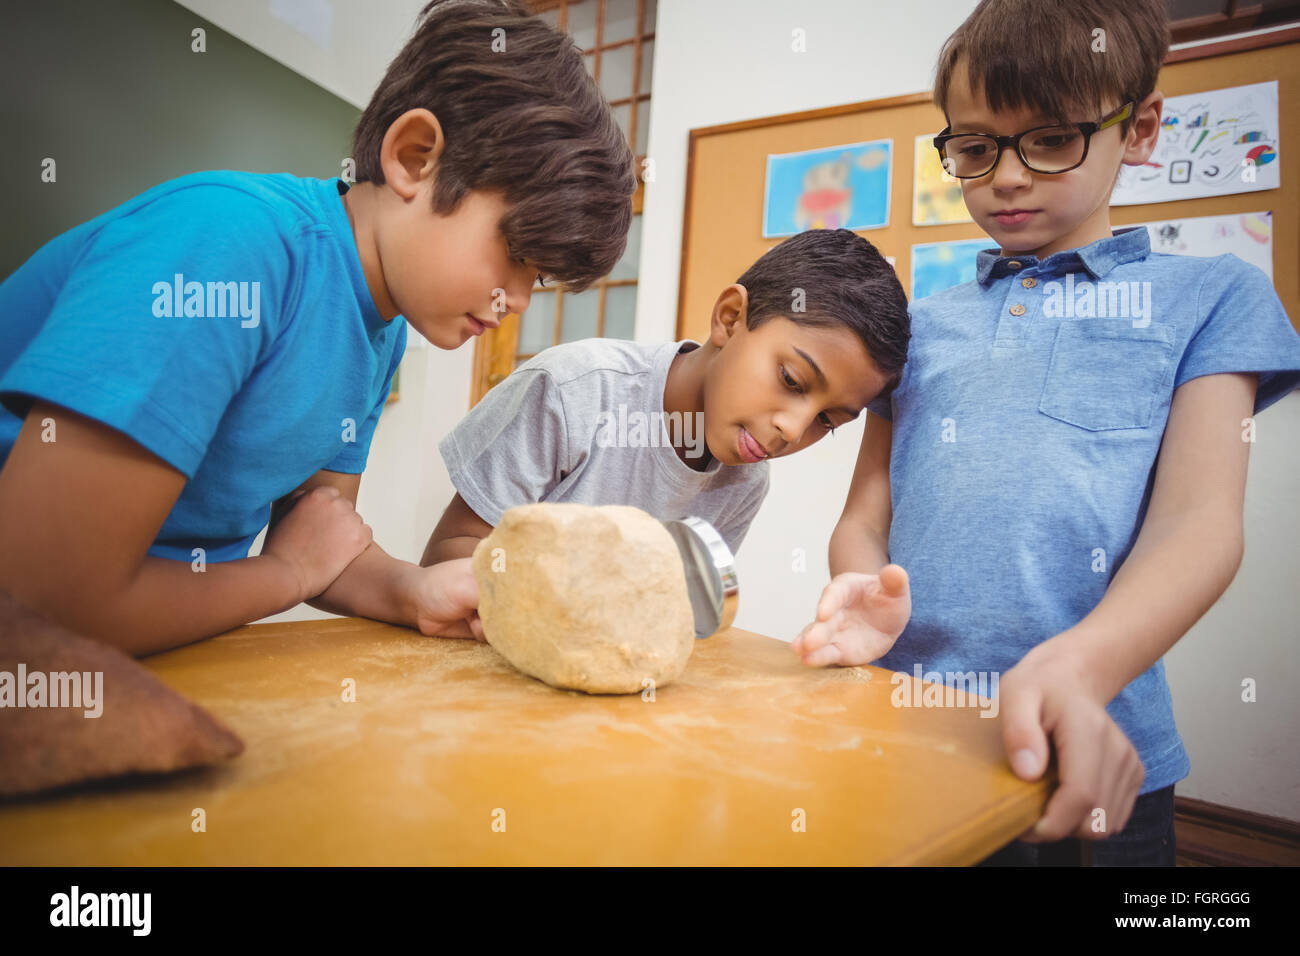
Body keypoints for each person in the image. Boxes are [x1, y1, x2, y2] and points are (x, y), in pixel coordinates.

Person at [793, 0, 1300, 865]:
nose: (1009, 177)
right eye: (976, 147)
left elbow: (1199, 524)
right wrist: (856, 593)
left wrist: (1082, 667)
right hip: (900, 729)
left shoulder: (1213, 297)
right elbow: (867, 515)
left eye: (1053, 139)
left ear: (1138, 129)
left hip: (1095, 742)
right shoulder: (921, 325)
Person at [0, 0, 636, 655]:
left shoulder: (381, 322)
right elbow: (43, 605)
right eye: (516, 253)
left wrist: (414, 591)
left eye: (541, 278)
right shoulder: (228, 247)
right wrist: (284, 575)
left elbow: (320, 535)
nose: (521, 300)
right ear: (414, 157)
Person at [421, 228, 910, 570]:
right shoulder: (575, 391)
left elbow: (683, 608)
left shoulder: (744, 481)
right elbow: (449, 554)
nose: (792, 429)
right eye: (791, 379)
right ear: (730, 316)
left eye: (826, 420)